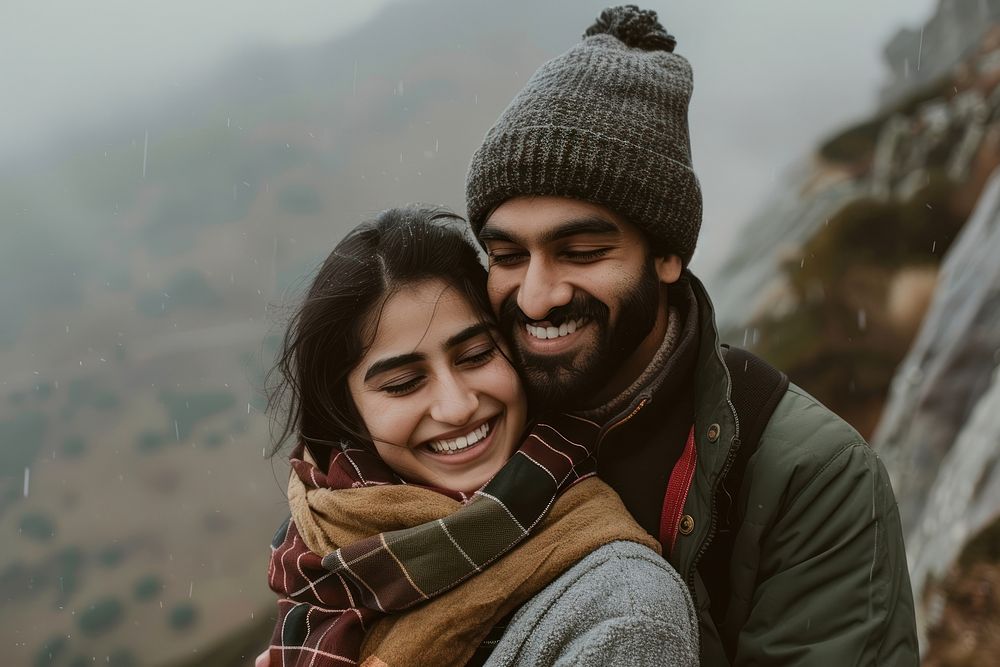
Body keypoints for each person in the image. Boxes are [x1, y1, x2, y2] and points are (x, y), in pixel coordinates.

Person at [463, 5, 919, 665]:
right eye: (507, 256)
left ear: (668, 255)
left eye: (581, 252)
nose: (536, 295)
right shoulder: (460, 423)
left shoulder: (811, 477)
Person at [259, 206, 699, 666]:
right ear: (347, 410)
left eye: (475, 356)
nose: (457, 407)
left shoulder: (624, 612)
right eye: (404, 384)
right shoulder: (322, 562)